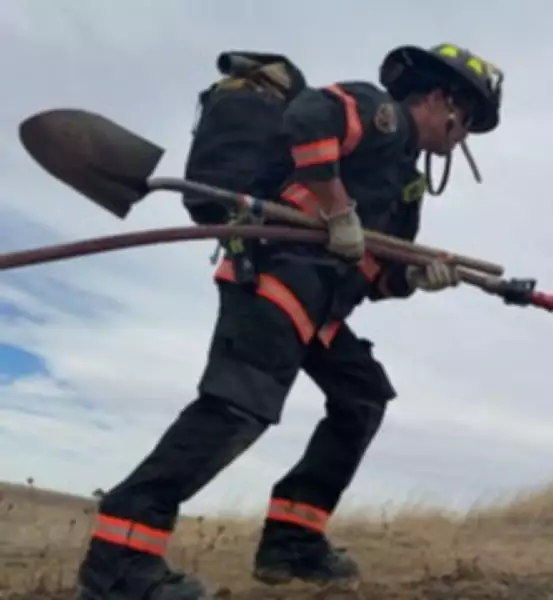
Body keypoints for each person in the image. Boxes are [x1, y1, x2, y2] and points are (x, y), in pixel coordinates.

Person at [75, 42, 504, 600]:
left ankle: (292, 546)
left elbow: (373, 275)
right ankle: (119, 567)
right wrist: (336, 207)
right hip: (277, 280)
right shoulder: (384, 115)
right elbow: (310, 117)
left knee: (362, 396)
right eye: (466, 121)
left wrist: (413, 279)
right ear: (444, 99)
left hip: (320, 307)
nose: (461, 137)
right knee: (237, 409)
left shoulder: (404, 184)